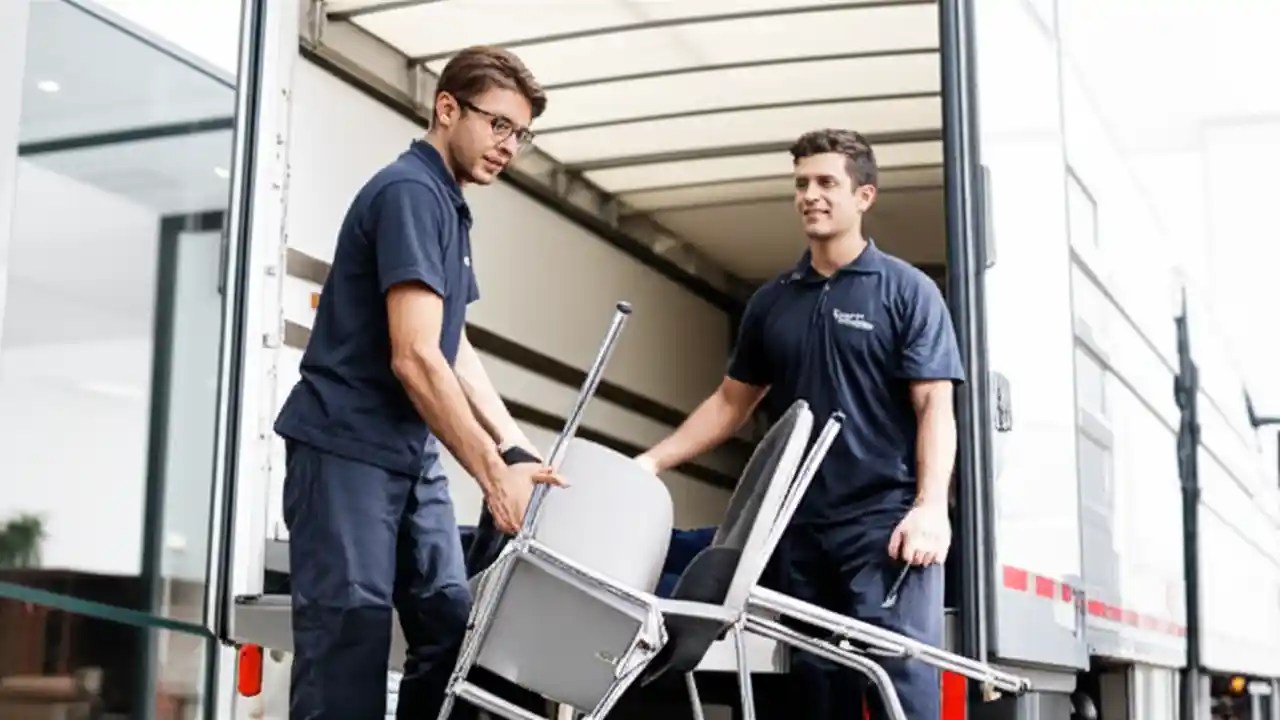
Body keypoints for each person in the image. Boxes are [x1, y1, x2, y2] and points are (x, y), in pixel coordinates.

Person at [272, 45, 564, 720]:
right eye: (498, 126)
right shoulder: (409, 192)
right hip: (345, 450)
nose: (509, 147)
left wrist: (517, 447)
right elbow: (415, 357)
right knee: (349, 646)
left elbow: (452, 345)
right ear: (447, 107)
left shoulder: (449, 206)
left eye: (520, 134)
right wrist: (493, 473)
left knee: (452, 628)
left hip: (408, 456)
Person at [635, 128, 964, 720]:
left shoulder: (907, 292)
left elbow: (933, 406)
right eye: (801, 184)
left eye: (825, 182)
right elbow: (730, 404)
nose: (809, 195)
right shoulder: (773, 302)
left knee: (902, 686)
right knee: (815, 694)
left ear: (864, 196)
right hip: (798, 533)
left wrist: (931, 507)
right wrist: (652, 463)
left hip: (882, 530)